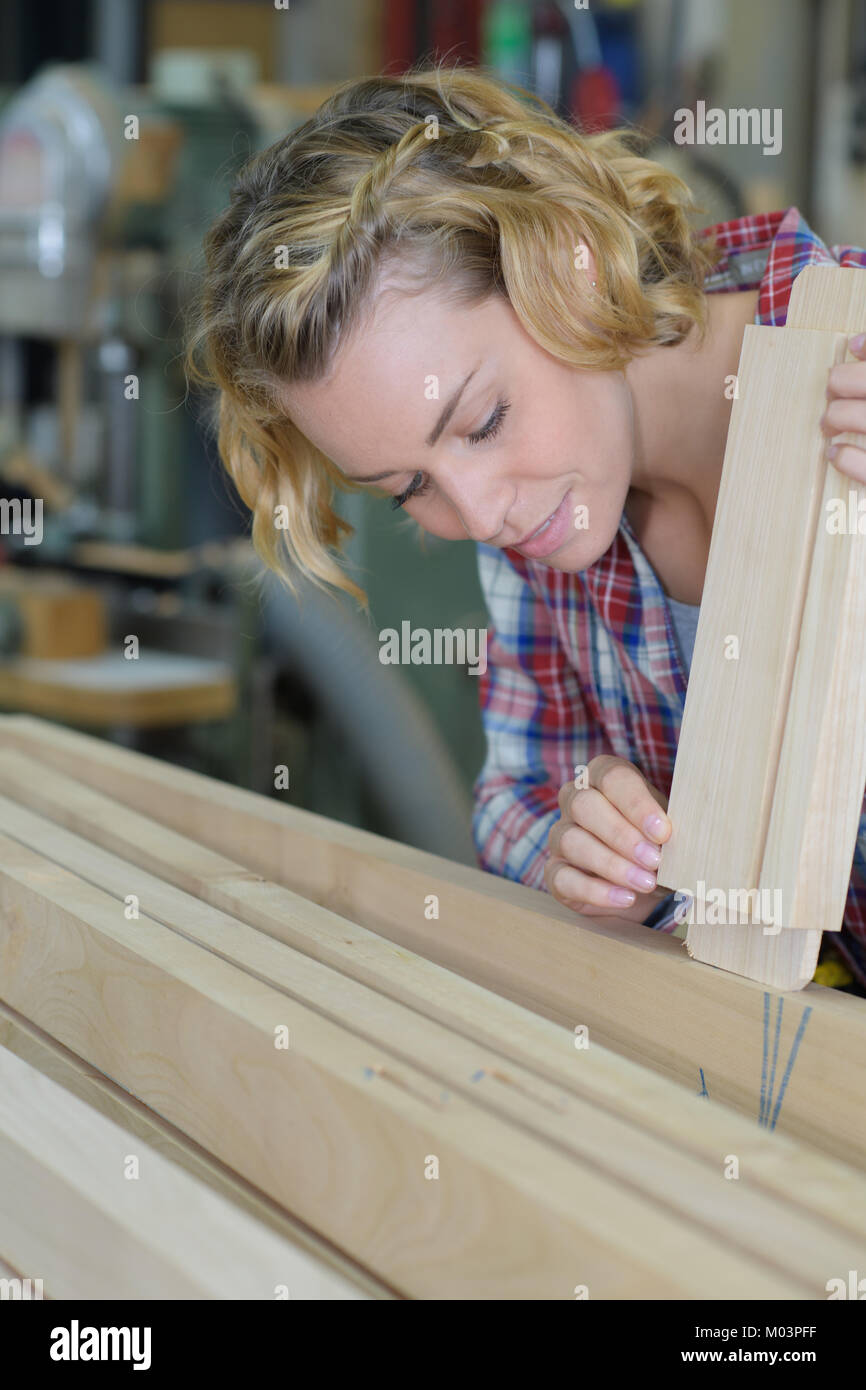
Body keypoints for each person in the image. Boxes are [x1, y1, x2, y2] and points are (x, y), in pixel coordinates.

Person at [185, 63, 866, 990]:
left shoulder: (847, 353)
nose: (479, 514)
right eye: (407, 486)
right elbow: (515, 802)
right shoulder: (545, 518)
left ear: (570, 259)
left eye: (484, 421)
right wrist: (586, 852)